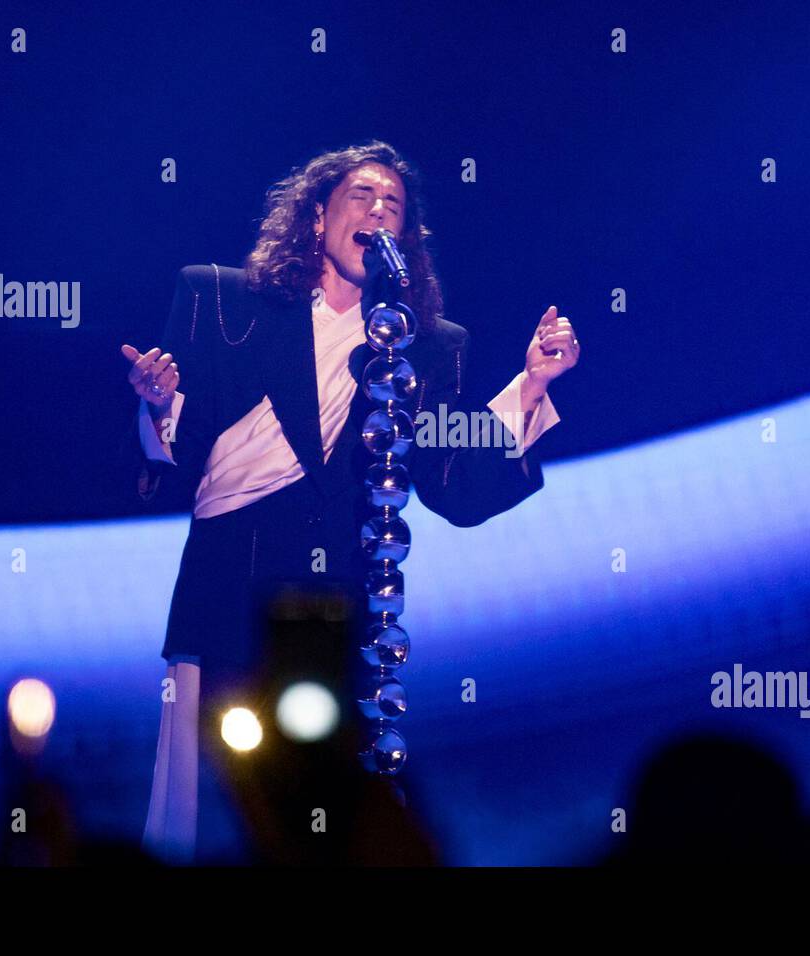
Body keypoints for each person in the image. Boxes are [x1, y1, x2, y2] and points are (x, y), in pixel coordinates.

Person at [118, 141, 579, 862]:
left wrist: (532, 387)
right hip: (227, 593)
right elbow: (174, 455)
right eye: (362, 197)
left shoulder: (429, 349)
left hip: (345, 614)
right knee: (210, 813)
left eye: (393, 204)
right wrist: (157, 404)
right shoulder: (220, 297)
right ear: (316, 219)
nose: (377, 211)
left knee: (339, 818)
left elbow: (452, 482)